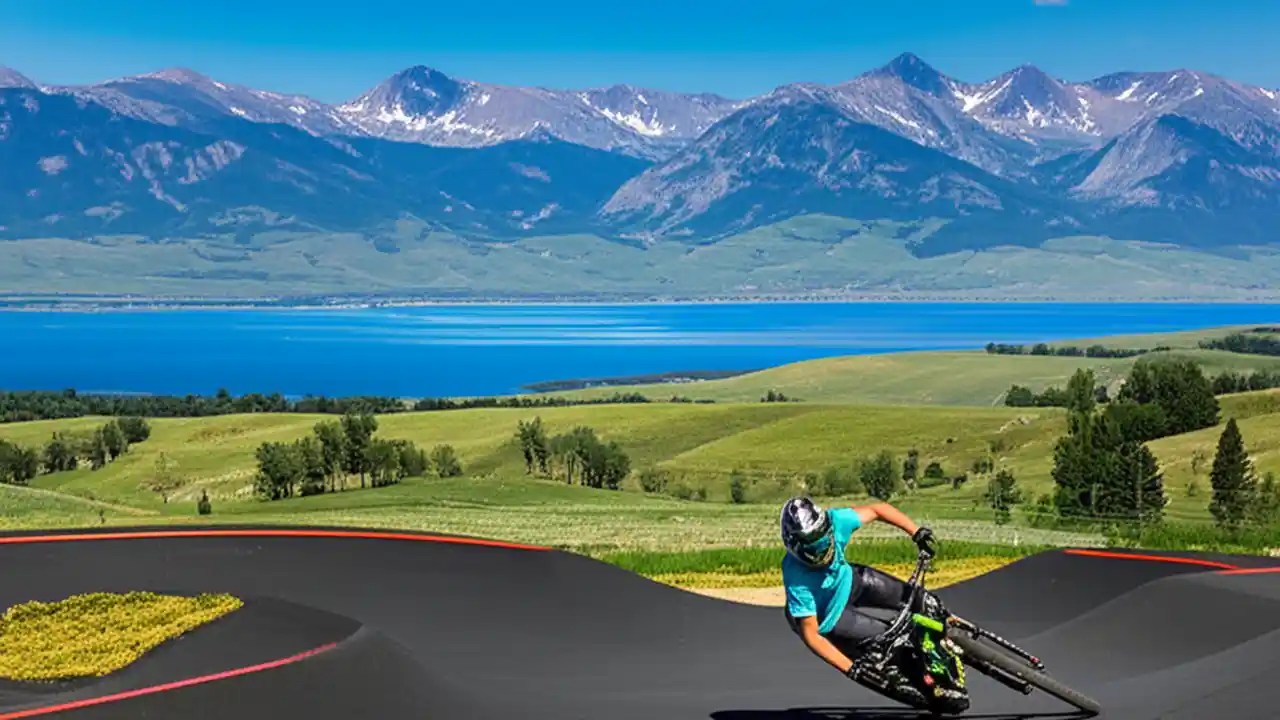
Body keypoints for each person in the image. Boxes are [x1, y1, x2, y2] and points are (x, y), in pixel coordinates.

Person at [780, 495, 966, 711]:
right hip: (832, 615)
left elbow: (877, 509)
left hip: (852, 582)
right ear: (795, 546)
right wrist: (851, 670)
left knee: (926, 602)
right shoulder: (795, 575)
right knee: (895, 644)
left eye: (823, 541)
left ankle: (956, 635)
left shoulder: (836, 521)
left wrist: (915, 532)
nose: (821, 551)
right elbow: (811, 635)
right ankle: (925, 680)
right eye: (813, 548)